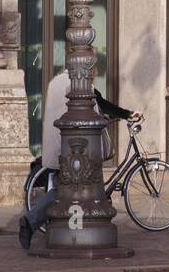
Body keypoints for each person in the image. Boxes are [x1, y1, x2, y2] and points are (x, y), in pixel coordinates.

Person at [20, 69, 140, 250]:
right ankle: (32, 221)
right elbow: (102, 104)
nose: (93, 74)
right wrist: (127, 114)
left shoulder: (56, 81)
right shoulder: (80, 82)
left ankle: (56, 222)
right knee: (69, 189)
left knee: (67, 188)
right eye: (93, 70)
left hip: (57, 144)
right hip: (76, 146)